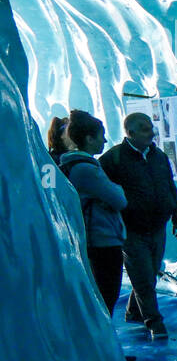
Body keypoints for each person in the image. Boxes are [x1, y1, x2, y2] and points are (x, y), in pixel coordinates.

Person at [101, 112, 177, 340]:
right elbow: (100, 193)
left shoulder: (158, 156)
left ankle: (133, 312)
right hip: (131, 230)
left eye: (151, 127)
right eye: (145, 129)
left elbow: (169, 186)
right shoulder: (113, 159)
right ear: (131, 133)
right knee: (142, 277)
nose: (152, 132)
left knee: (150, 273)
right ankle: (155, 323)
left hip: (158, 227)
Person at [59, 110, 128, 315]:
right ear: (89, 138)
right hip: (101, 240)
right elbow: (120, 199)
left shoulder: (72, 165)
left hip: (91, 240)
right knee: (106, 296)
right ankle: (103, 343)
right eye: (101, 135)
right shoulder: (86, 169)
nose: (105, 140)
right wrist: (118, 189)